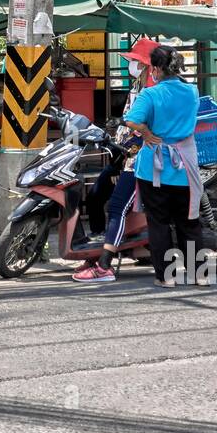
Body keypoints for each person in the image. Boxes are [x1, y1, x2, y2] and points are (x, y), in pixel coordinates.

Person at [75, 44, 203, 285]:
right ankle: (200, 275)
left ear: (154, 68)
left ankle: (166, 278)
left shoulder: (150, 94)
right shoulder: (192, 91)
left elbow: (132, 121)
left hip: (154, 167)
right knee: (189, 223)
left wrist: (146, 132)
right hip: (185, 168)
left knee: (159, 223)